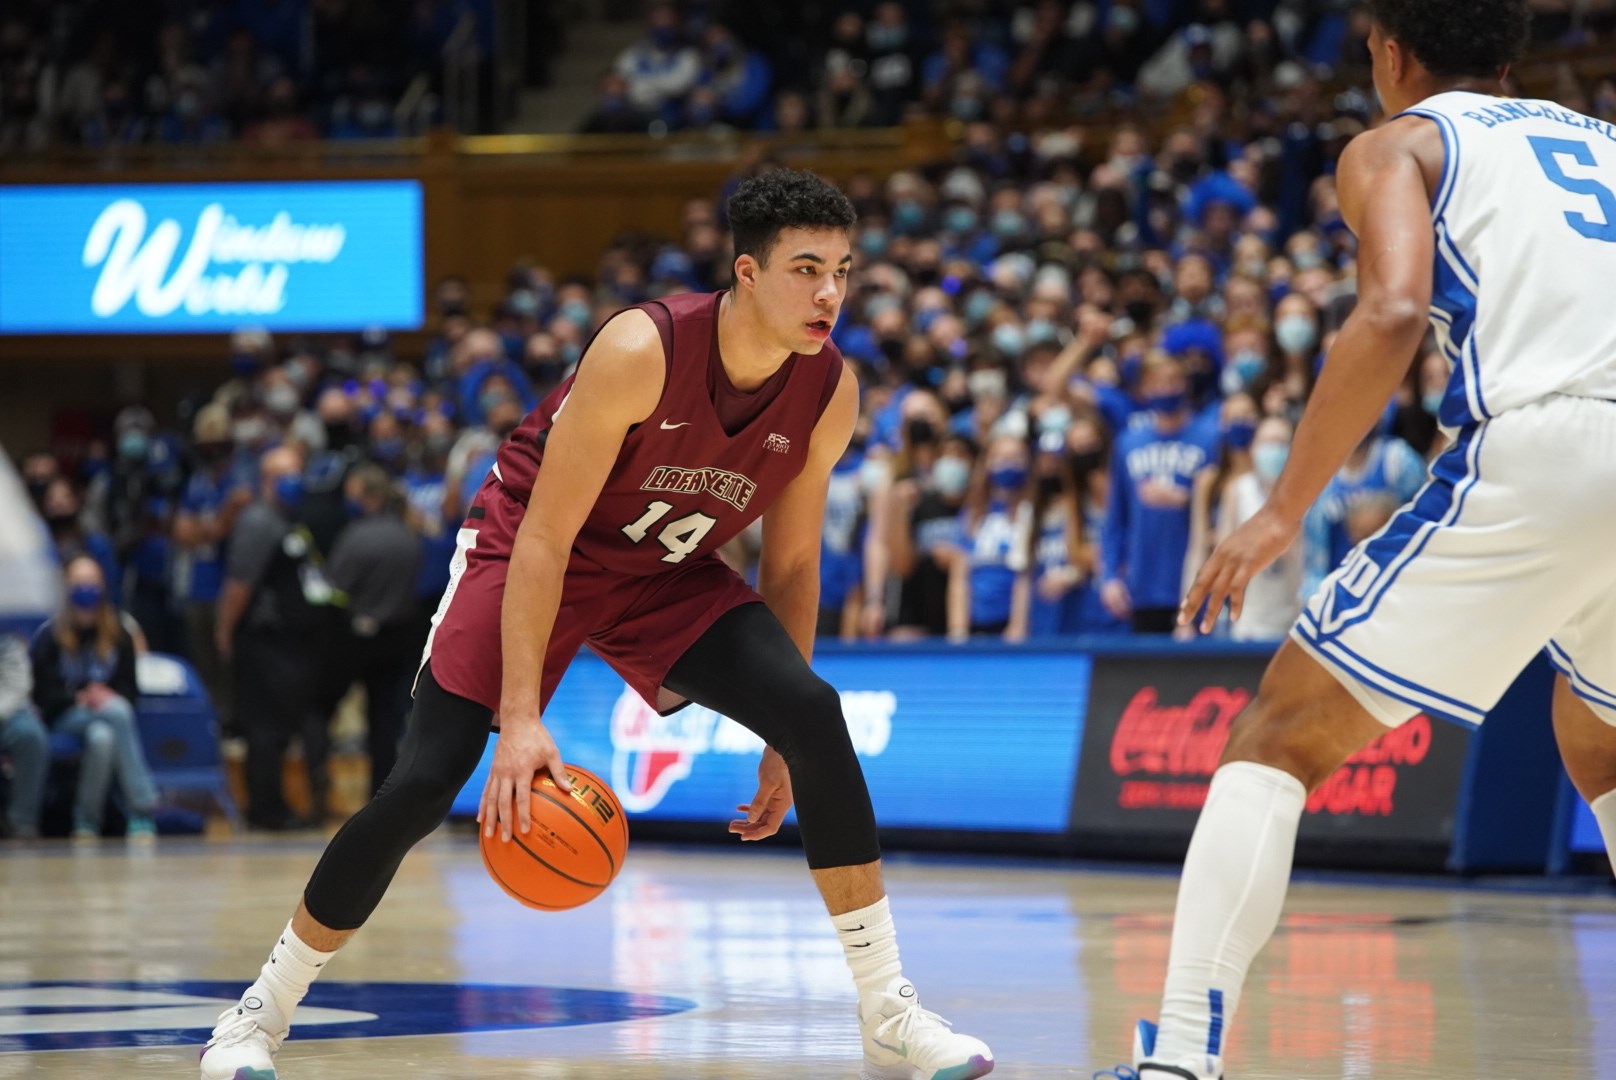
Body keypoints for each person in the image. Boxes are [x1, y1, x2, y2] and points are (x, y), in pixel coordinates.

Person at [200, 169, 994, 1080]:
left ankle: (888, 1011)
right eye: (806, 269)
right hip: (532, 550)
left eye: (842, 271)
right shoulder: (641, 349)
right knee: (425, 781)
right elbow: (545, 535)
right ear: (746, 272)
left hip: (661, 573)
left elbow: (792, 566)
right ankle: (257, 1017)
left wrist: (782, 736)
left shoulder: (828, 391)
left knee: (814, 714)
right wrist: (521, 717)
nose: (829, 294)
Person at [1124, 3, 1616, 1076]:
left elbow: (1391, 312)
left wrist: (1280, 508)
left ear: (1391, 53)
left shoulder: (1398, 144)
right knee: (1599, 741)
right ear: (1507, 56)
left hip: (1545, 443)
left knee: (1276, 737)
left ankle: (1181, 1058)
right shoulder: (1604, 142)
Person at [216, 446, 332, 831]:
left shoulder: (290, 519)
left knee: (285, 725)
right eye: (286, 474)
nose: (295, 481)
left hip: (291, 642)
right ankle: (265, 810)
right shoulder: (258, 521)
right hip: (263, 639)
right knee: (263, 726)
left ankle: (284, 805)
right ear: (266, 480)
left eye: (298, 472)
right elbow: (239, 585)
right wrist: (225, 631)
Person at [29, 556, 159, 840]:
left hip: (106, 716)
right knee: (117, 711)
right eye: (79, 583)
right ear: (66, 588)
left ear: (102, 588)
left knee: (103, 738)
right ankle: (142, 804)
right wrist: (79, 697)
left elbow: (130, 689)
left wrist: (106, 694)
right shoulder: (49, 635)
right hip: (65, 717)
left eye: (92, 583)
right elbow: (42, 695)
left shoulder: (120, 632)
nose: (85, 590)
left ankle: (86, 822)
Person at [1100, 354, 1219, 634]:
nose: (1166, 389)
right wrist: (1109, 576)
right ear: (1143, 389)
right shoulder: (1127, 443)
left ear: (1185, 384)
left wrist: (1186, 500)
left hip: (1197, 582)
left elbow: (1223, 510)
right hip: (1142, 587)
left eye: (1173, 380)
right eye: (1157, 382)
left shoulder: (1211, 438)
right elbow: (1115, 518)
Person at [322, 465, 422, 796]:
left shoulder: (357, 535)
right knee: (385, 721)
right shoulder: (408, 534)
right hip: (398, 638)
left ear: (368, 496)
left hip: (356, 638)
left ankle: (318, 788)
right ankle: (380, 796)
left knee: (320, 708)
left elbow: (334, 585)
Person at [0, 633, 47, 839]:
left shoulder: (6, 644)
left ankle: (21, 821)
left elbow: (17, 688)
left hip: (9, 713)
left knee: (30, 735)